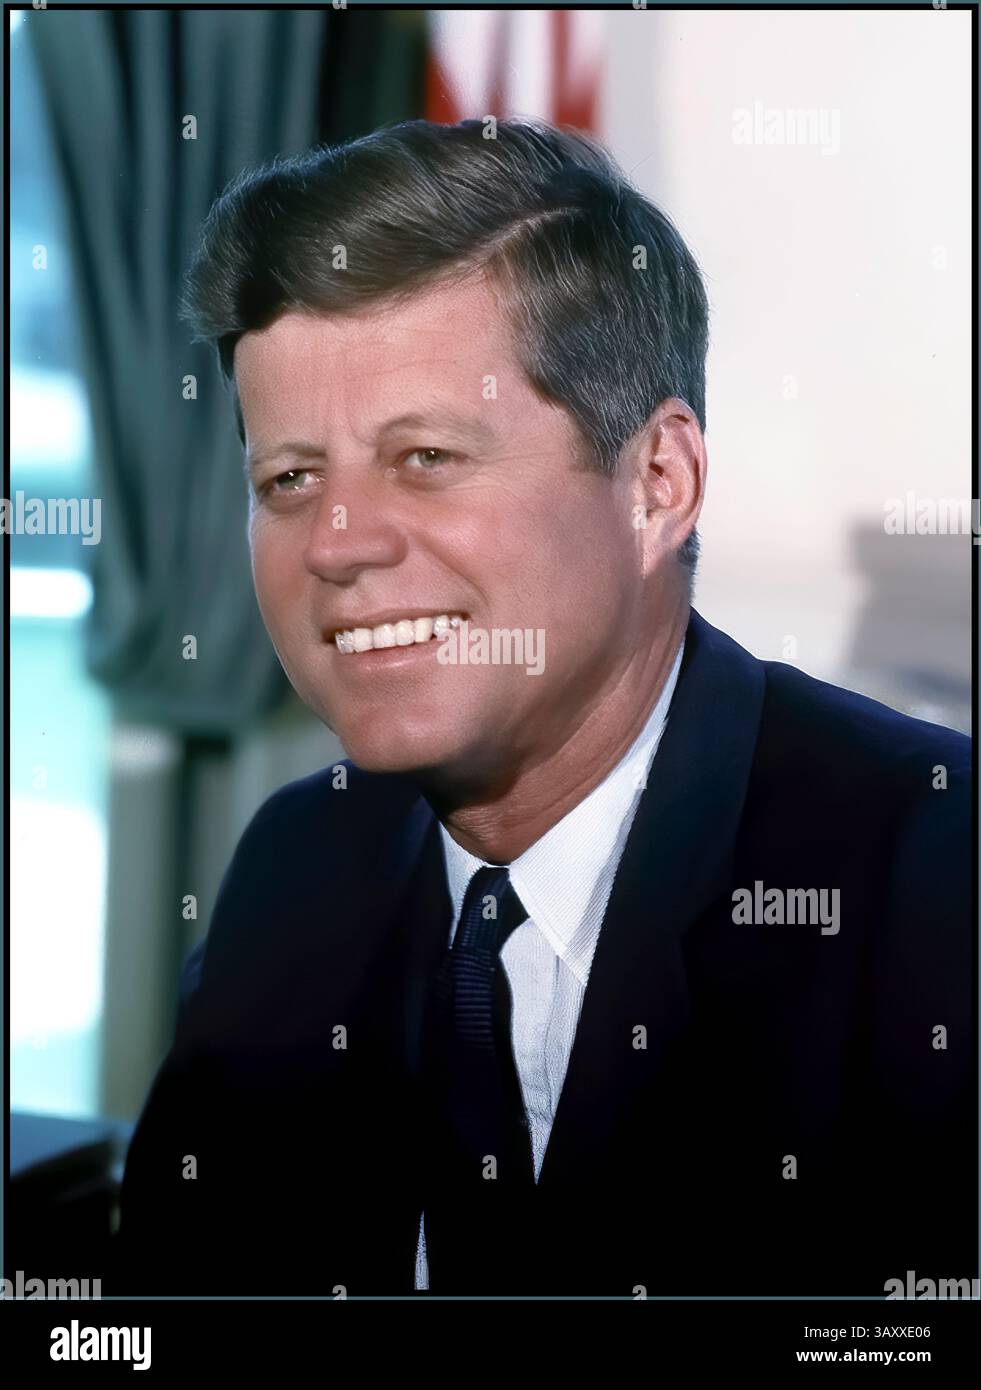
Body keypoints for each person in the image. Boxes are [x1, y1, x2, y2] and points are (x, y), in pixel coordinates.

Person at [112, 118, 973, 1297]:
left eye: (425, 457)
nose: (339, 544)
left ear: (658, 483)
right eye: (291, 477)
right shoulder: (296, 866)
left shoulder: (940, 878)